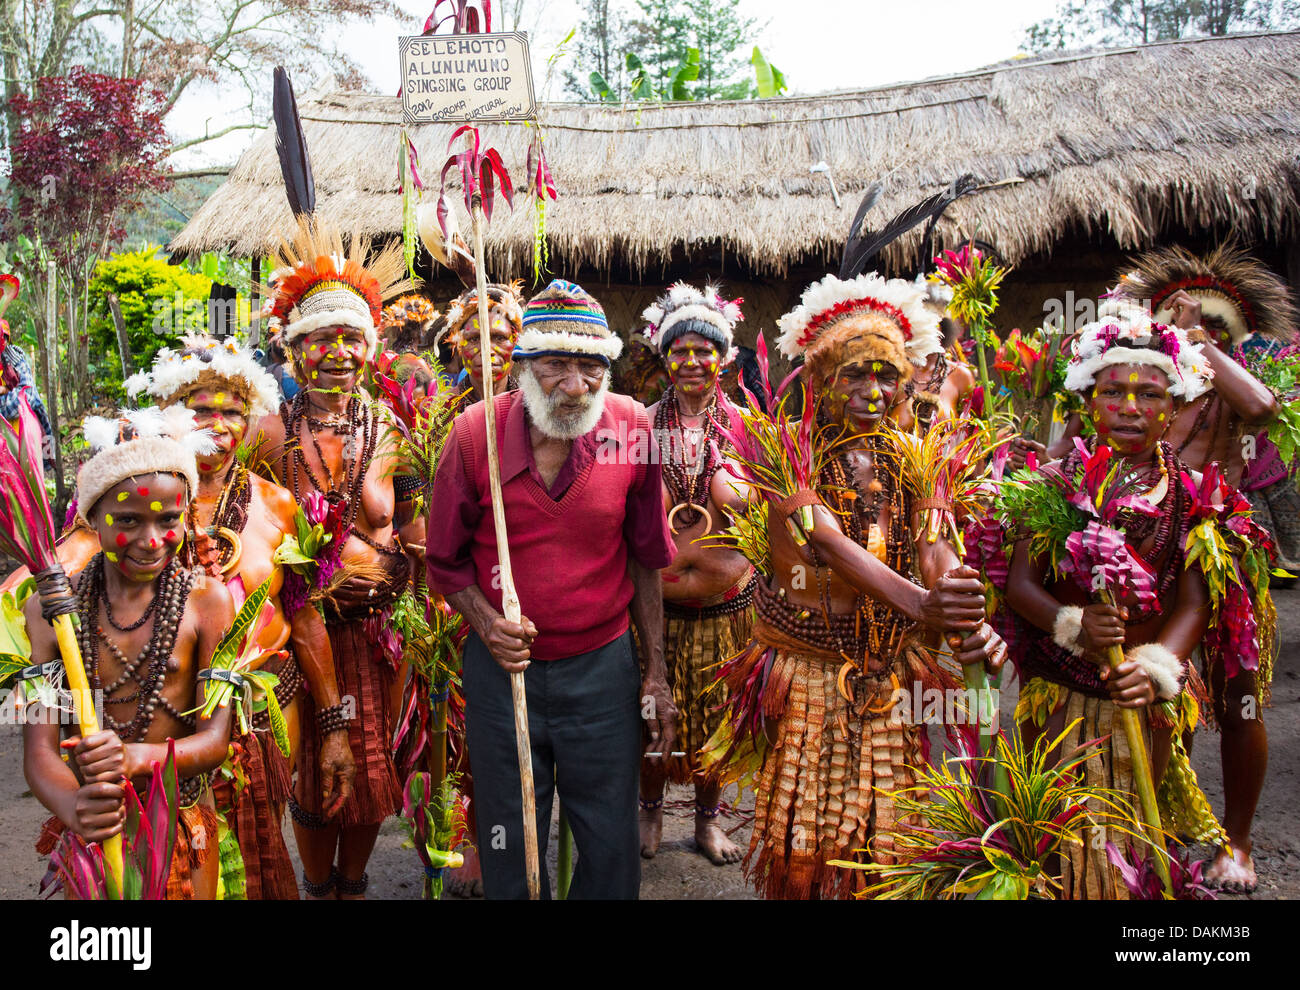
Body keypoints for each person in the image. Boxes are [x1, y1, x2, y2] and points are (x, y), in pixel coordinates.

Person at [710, 273, 1004, 899]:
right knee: (807, 841)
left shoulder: (916, 454)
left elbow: (934, 544)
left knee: (887, 836)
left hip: (891, 665)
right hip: (811, 668)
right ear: (821, 379)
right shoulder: (786, 450)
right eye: (855, 374)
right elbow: (824, 539)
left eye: (887, 374)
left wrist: (960, 601)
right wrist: (924, 603)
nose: (874, 391)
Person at [426, 279, 676, 899]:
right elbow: (443, 563)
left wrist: (655, 675)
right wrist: (487, 623)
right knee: (511, 836)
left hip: (603, 669)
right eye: (554, 366)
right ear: (521, 367)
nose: (574, 385)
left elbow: (647, 559)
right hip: (502, 673)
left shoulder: (630, 429)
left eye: (590, 367)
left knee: (611, 845)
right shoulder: (473, 436)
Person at [1004, 303, 1223, 898]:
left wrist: (1156, 669)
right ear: (1088, 402)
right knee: (1054, 838)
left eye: (1150, 394)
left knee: (1134, 841)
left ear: (1174, 406)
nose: (1131, 408)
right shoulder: (1052, 483)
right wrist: (1072, 626)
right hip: (1061, 690)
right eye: (1114, 392)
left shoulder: (1193, 493)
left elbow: (1193, 604)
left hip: (1147, 699)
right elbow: (1020, 585)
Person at [125, 335, 355, 899]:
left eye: (233, 410)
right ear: (172, 413)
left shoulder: (277, 506)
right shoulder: (133, 502)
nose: (220, 423)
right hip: (163, 710)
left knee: (253, 854)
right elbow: (67, 568)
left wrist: (332, 731)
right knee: (175, 856)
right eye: (203, 409)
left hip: (266, 711)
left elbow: (303, 620)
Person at [1112, 244, 1293, 892]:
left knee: (1239, 699)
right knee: (1168, 688)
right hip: (1159, 548)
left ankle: (1238, 844)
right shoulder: (1147, 386)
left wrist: (1201, 343)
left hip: (1220, 555)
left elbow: (1267, 409)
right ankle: (1163, 825)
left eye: (1207, 327)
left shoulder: (1227, 388)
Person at [248, 218, 417, 900]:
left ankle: (354, 882)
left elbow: (414, 523)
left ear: (369, 349)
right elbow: (241, 522)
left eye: (352, 340)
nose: (339, 354)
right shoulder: (266, 436)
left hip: (381, 638)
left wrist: (417, 583)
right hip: (302, 641)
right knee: (318, 774)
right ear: (296, 351)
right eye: (323, 340)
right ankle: (319, 884)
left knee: (374, 773)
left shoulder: (394, 431)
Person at [20, 406, 235, 898]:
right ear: (91, 517)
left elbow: (215, 741)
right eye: (128, 520)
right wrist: (74, 806)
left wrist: (137, 758)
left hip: (179, 822)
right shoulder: (50, 611)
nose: (152, 539)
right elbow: (38, 751)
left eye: (169, 519)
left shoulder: (207, 602)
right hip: (92, 823)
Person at [636, 282, 752, 865]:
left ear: (723, 357)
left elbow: (778, 516)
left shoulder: (750, 430)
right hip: (657, 607)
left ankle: (707, 824)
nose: (691, 361)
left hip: (726, 612)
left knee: (719, 724)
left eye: (704, 350)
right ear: (664, 356)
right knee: (652, 718)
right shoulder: (635, 428)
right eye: (679, 349)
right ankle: (651, 811)